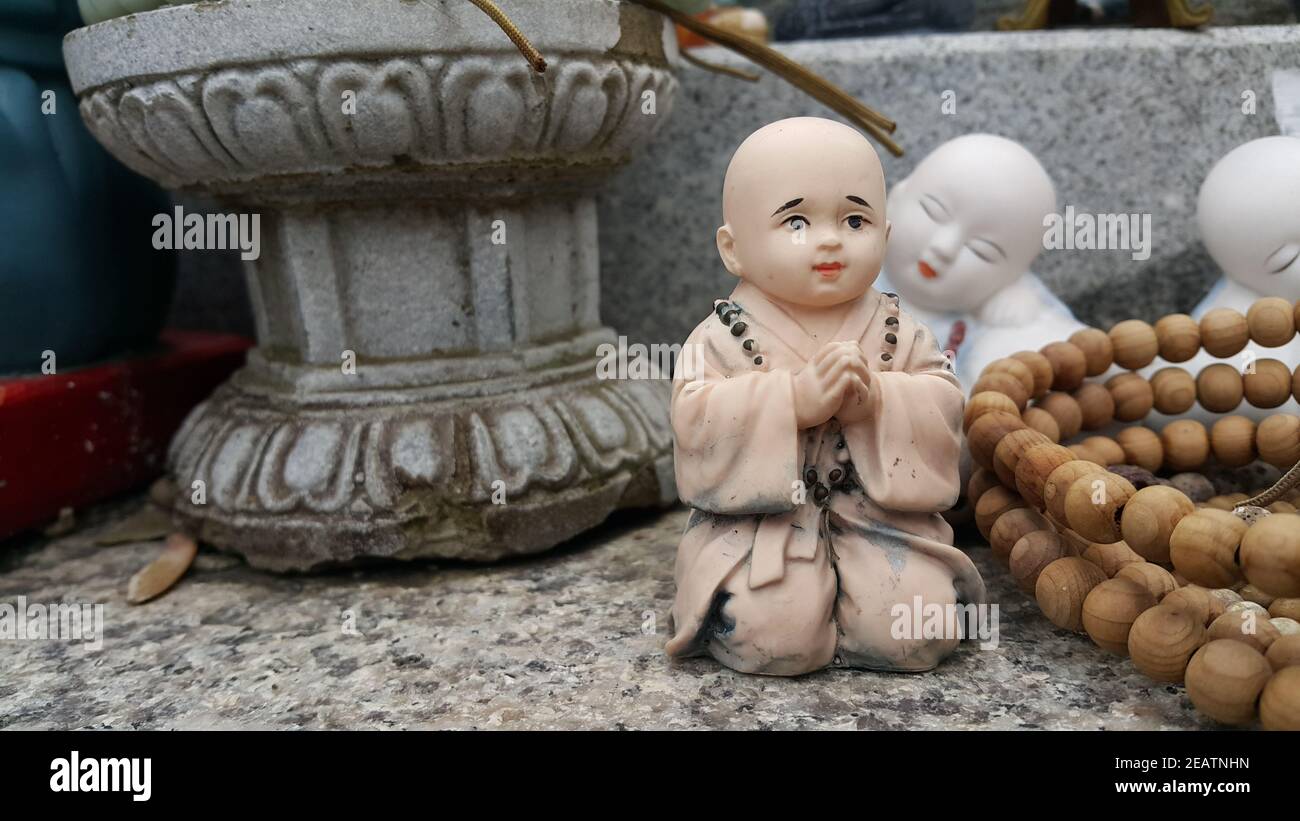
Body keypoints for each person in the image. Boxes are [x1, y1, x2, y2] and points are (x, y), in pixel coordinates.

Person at [665, 117, 985, 676]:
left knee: (914, 632)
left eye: (855, 218)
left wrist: (876, 405)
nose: (830, 238)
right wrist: (790, 402)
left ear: (885, 237)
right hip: (759, 529)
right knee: (778, 639)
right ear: (732, 250)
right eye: (795, 221)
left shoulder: (897, 330)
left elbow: (943, 405)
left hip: (883, 521)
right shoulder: (722, 337)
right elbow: (696, 421)